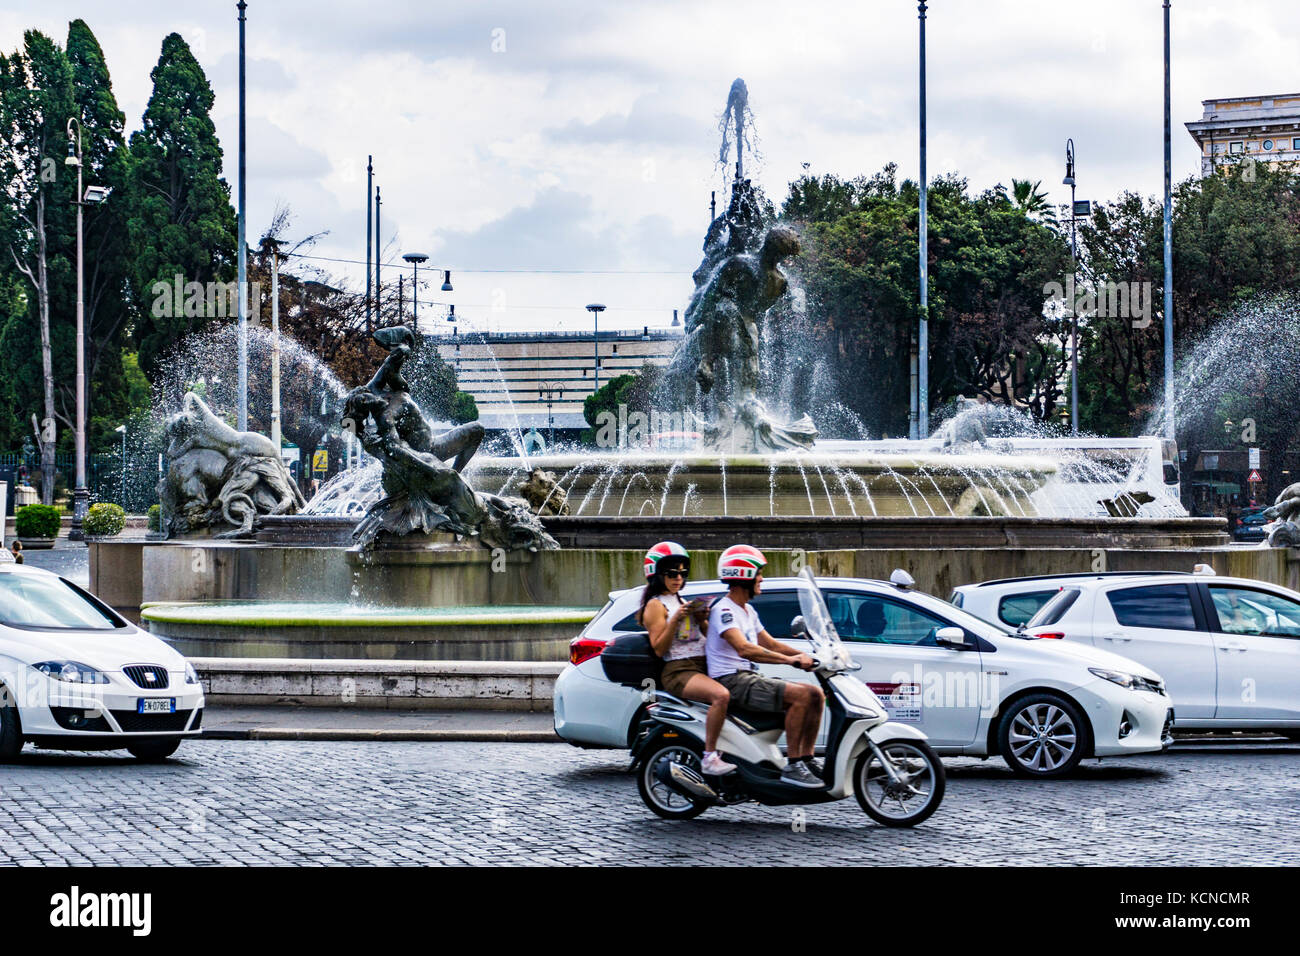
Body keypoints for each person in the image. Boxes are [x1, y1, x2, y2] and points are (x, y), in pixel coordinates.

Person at [706, 544, 825, 789]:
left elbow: (770, 643)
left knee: (817, 695)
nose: (762, 578)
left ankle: (806, 758)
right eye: (758, 573)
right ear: (744, 576)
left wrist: (811, 655)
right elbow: (745, 649)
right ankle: (793, 765)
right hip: (732, 680)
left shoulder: (747, 610)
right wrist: (791, 661)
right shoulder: (724, 610)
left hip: (747, 677)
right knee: (803, 696)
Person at [638, 541, 736, 776]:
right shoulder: (655, 605)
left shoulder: (680, 601)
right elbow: (659, 649)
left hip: (702, 666)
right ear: (657, 574)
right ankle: (709, 757)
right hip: (679, 670)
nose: (678, 578)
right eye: (672, 573)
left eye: (682, 573)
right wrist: (675, 620)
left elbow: (701, 637)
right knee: (721, 696)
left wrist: (702, 618)